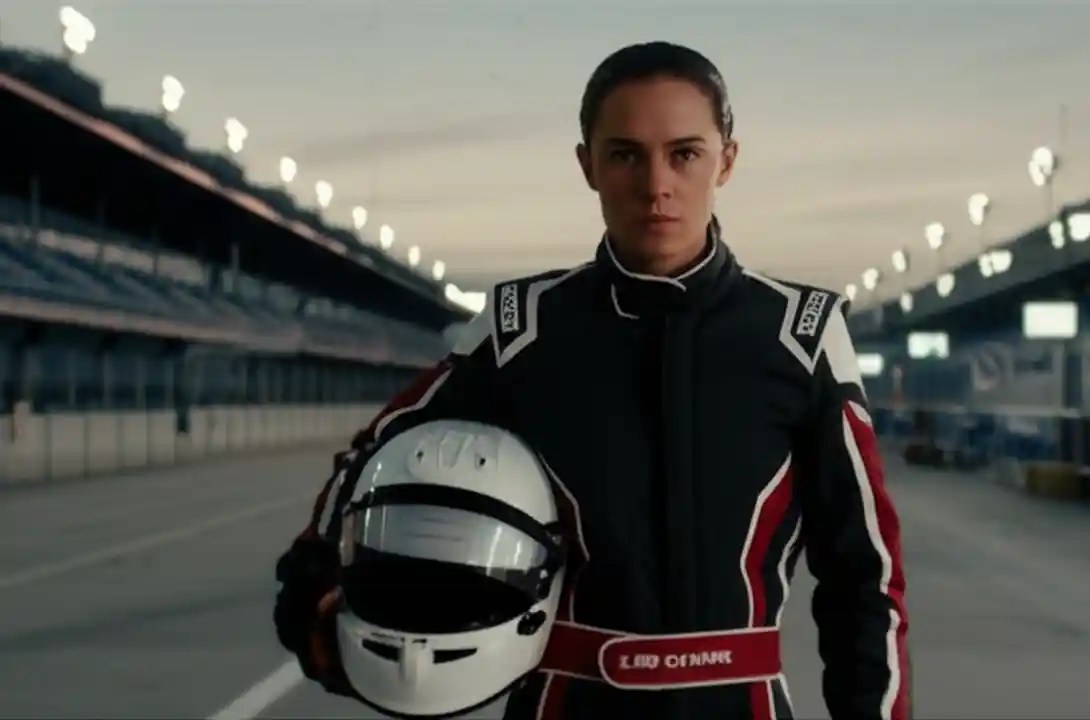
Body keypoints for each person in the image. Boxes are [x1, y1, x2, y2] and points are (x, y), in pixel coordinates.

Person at [274, 40, 910, 720]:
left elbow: (863, 579)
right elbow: (379, 451)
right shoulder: (522, 327)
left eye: (684, 153)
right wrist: (313, 580)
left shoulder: (802, 334)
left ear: (727, 159)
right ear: (587, 165)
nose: (656, 184)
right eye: (626, 154)